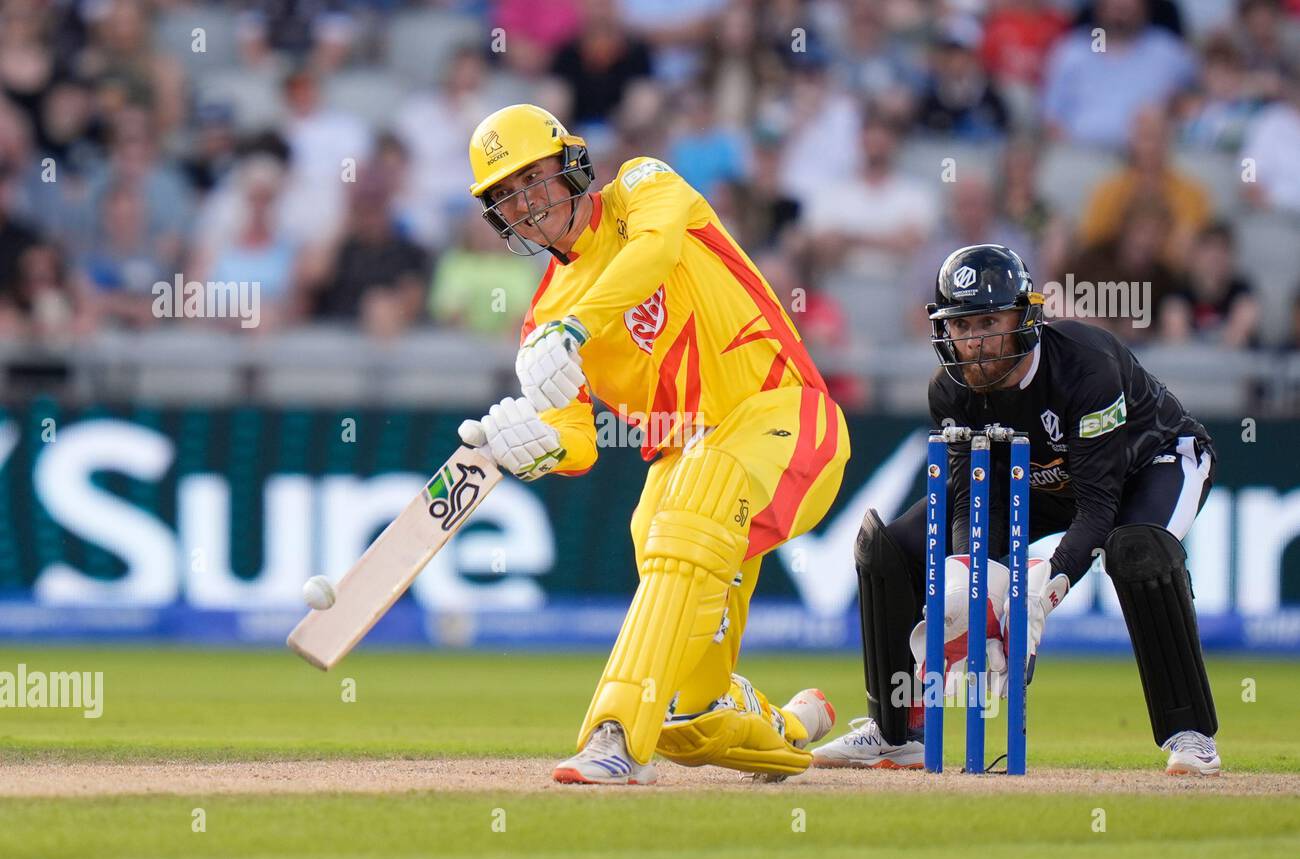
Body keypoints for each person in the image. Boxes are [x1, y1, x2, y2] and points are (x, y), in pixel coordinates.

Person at [457, 104, 849, 784]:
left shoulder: (643, 186)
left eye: (533, 180)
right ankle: (789, 725)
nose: (524, 203)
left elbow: (657, 249)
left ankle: (614, 735)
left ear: (571, 164)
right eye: (505, 195)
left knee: (692, 493)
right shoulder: (543, 320)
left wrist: (577, 327)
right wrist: (532, 444)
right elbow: (579, 437)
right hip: (692, 461)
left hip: (787, 419)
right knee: (690, 718)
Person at [814, 244, 1223, 776]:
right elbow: (965, 502)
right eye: (961, 326)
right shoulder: (951, 392)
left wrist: (1041, 592)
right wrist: (970, 590)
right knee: (891, 548)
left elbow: (1099, 509)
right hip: (1039, 483)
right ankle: (895, 733)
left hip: (1153, 463)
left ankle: (1190, 734)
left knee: (1137, 549)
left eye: (989, 320)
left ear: (1025, 318)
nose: (975, 342)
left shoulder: (1086, 366)